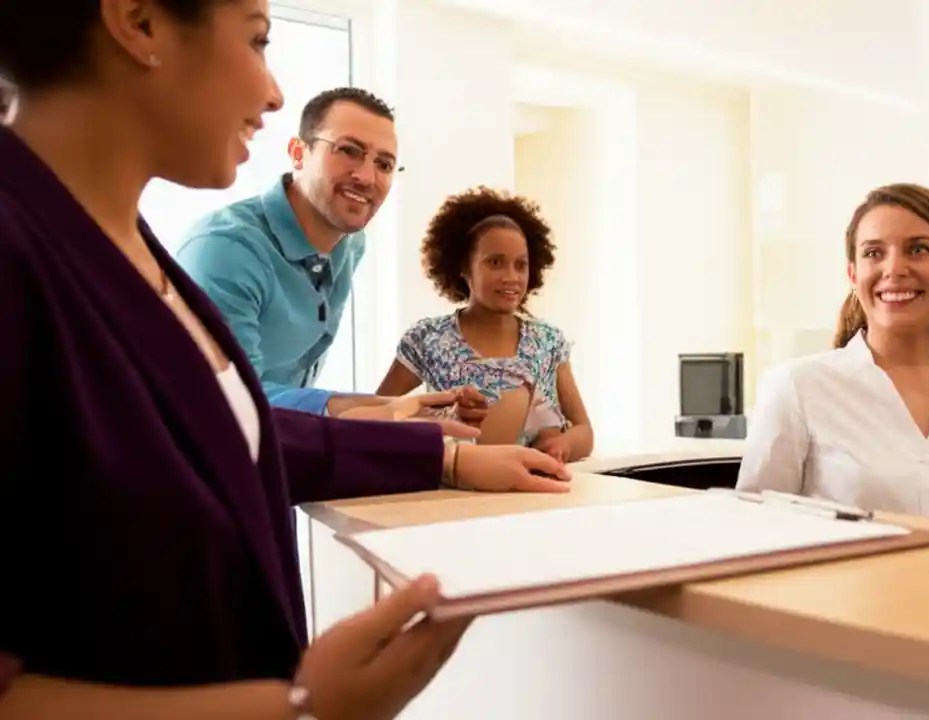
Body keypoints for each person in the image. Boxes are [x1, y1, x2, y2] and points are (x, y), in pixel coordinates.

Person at [0, 1, 572, 718]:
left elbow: (223, 435)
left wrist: (443, 457)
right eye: (256, 40)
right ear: (139, 21)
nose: (274, 94)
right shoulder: (26, 254)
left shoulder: (128, 245)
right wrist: (296, 708)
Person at [173, 85, 482, 424]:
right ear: (298, 153)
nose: (366, 176)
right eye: (348, 150)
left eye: (384, 163)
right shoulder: (225, 250)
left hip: (280, 446)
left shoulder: (350, 244)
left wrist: (406, 410)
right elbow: (229, 399)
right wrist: (373, 411)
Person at [736, 183, 929, 524]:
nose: (894, 269)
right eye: (874, 253)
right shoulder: (797, 387)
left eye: (917, 249)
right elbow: (755, 531)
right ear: (853, 274)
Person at [376, 187, 594, 462]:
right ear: (463, 267)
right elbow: (375, 419)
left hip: (535, 493)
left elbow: (584, 431)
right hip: (452, 497)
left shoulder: (548, 342)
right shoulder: (427, 339)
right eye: (495, 263)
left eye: (521, 265)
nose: (511, 277)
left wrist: (563, 446)